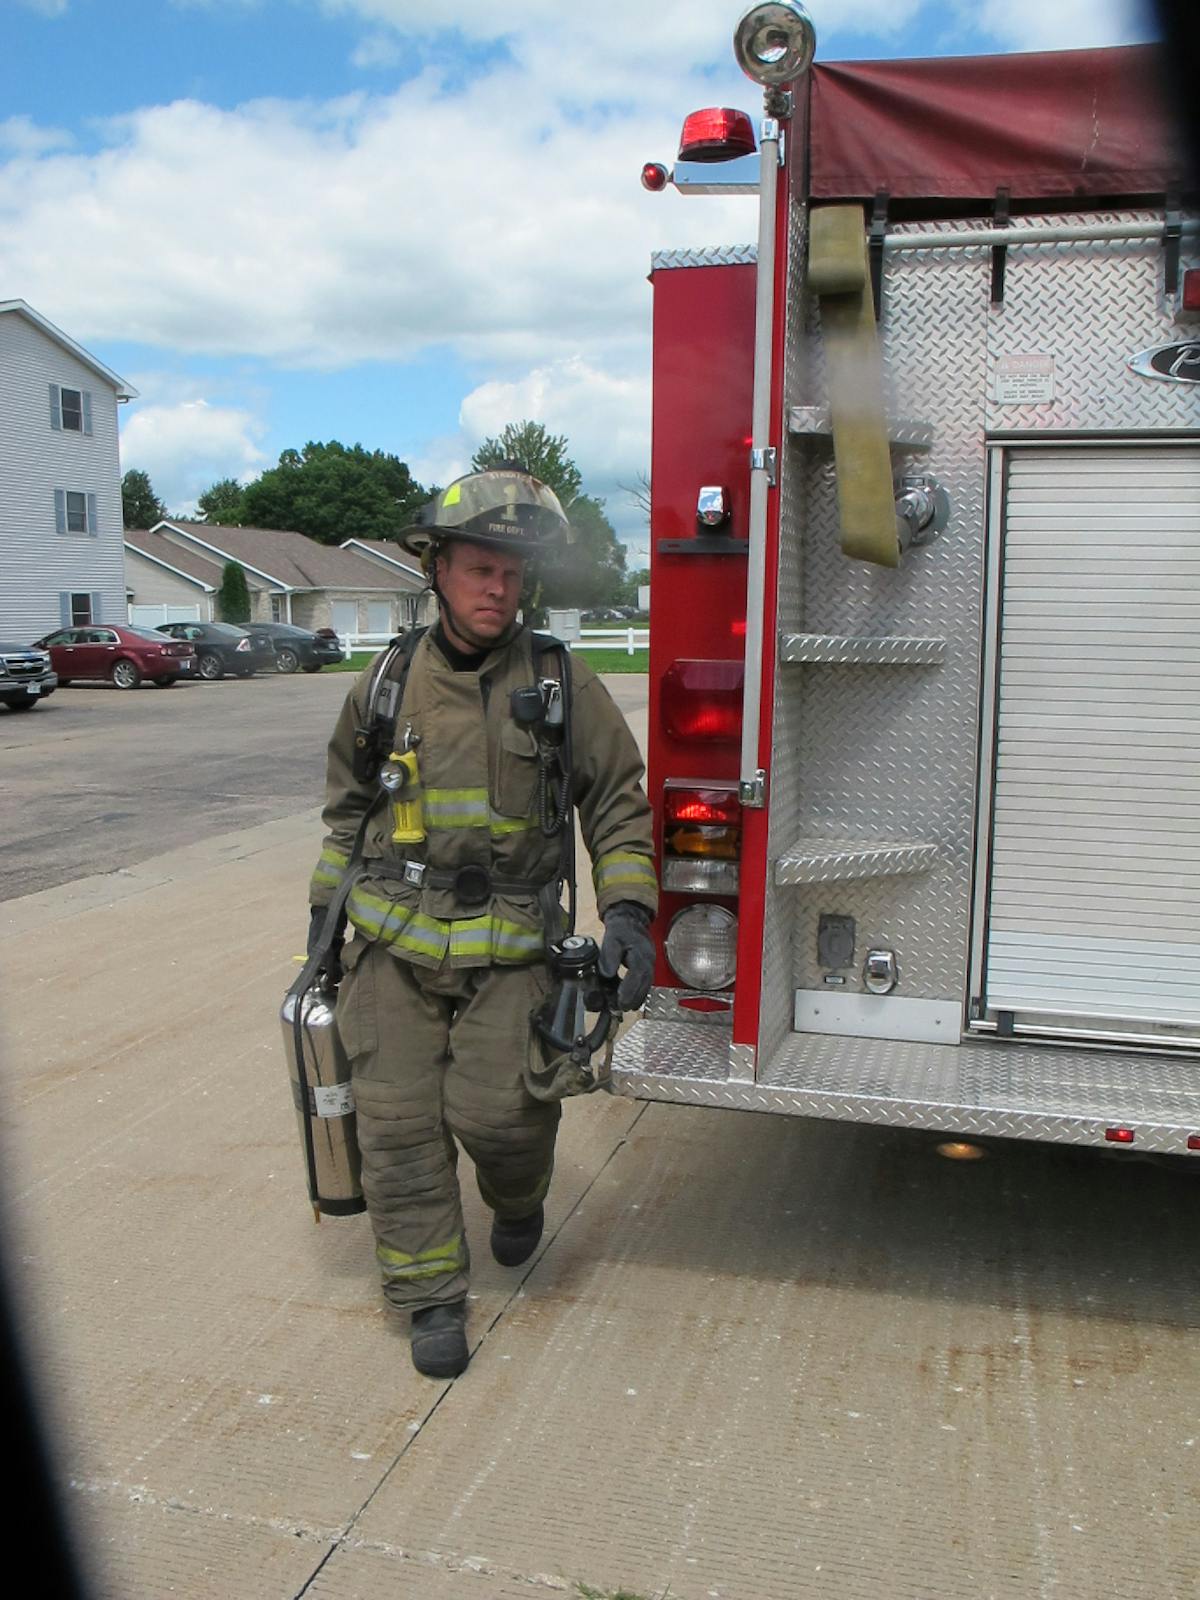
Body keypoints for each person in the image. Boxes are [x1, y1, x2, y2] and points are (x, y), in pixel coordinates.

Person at [307, 463, 657, 1379]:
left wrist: (627, 912)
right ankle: (426, 1296)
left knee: (501, 1118)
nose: (497, 588)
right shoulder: (383, 685)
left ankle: (516, 1197)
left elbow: (619, 802)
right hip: (393, 941)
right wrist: (322, 926)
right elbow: (347, 812)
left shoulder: (560, 682)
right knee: (393, 1124)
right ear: (438, 569)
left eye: (510, 573)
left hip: (511, 950)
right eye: (478, 568)